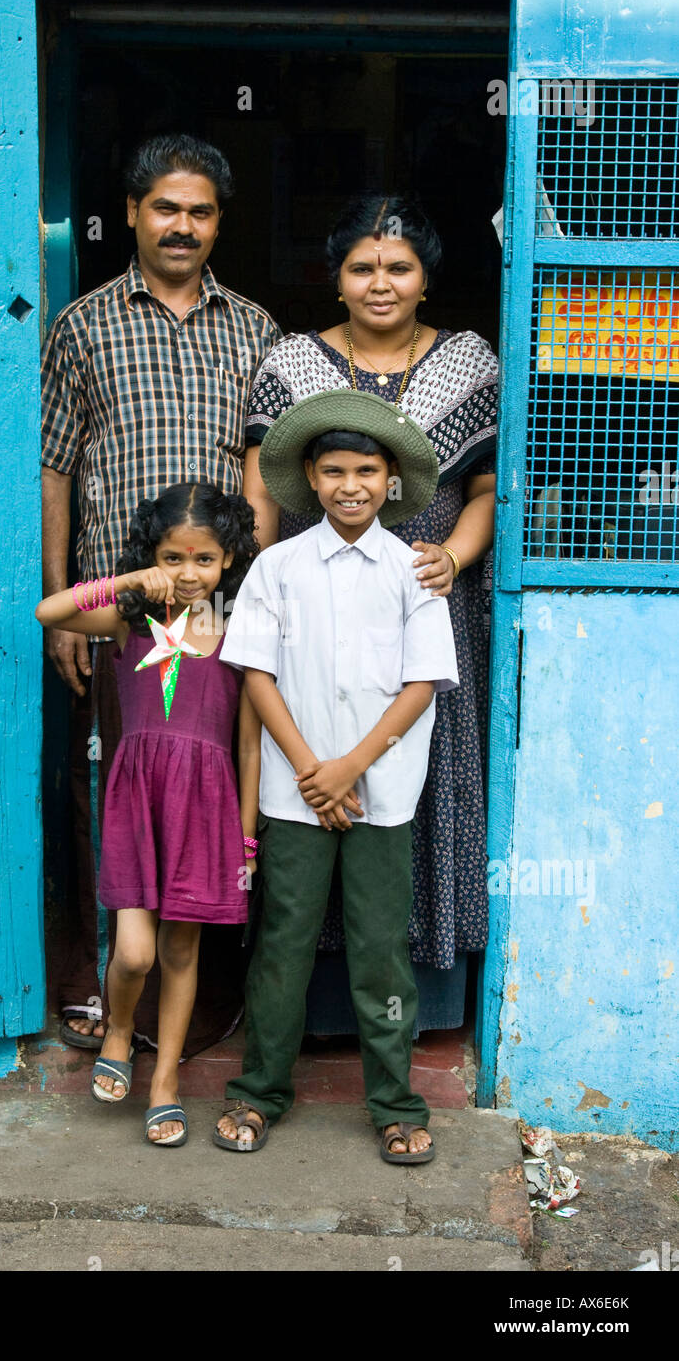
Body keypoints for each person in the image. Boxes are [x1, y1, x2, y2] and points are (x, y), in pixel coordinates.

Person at [40, 135, 281, 1049]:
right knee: (106, 785)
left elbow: (259, 473)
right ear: (134, 212)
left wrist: (244, 592)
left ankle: (198, 996)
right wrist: (64, 596)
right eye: (165, 209)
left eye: (202, 211)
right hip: (118, 613)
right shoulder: (83, 325)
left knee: (206, 789)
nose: (183, 226)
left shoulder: (255, 329)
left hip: (215, 615)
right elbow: (54, 467)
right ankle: (108, 985)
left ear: (220, 221)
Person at [242, 192, 497, 1037]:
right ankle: (310, 1009)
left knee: (409, 783)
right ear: (337, 277)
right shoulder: (290, 363)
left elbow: (489, 490)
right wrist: (262, 592)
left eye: (399, 267)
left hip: (426, 594)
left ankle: (418, 998)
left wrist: (451, 558)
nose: (379, 283)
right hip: (310, 603)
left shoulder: (469, 362)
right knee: (310, 768)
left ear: (426, 280)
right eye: (362, 267)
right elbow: (263, 493)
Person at [213, 389, 458, 1160]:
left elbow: (421, 686)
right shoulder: (277, 568)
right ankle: (259, 1094)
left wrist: (351, 765)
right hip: (294, 793)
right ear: (310, 480)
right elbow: (256, 675)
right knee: (283, 940)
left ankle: (395, 1103)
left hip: (382, 795)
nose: (349, 486)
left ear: (391, 480)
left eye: (365, 471)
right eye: (333, 472)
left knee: (380, 946)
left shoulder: (415, 571)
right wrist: (314, 771)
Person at [36, 483, 261, 1145]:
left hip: (207, 806)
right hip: (138, 799)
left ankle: (164, 1080)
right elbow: (51, 610)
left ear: (229, 561)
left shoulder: (238, 629)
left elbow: (249, 744)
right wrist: (136, 579)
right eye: (173, 557)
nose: (188, 574)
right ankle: (120, 1030)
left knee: (180, 950)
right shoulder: (131, 621)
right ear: (152, 554)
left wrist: (246, 836)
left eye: (204, 560)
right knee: (133, 954)